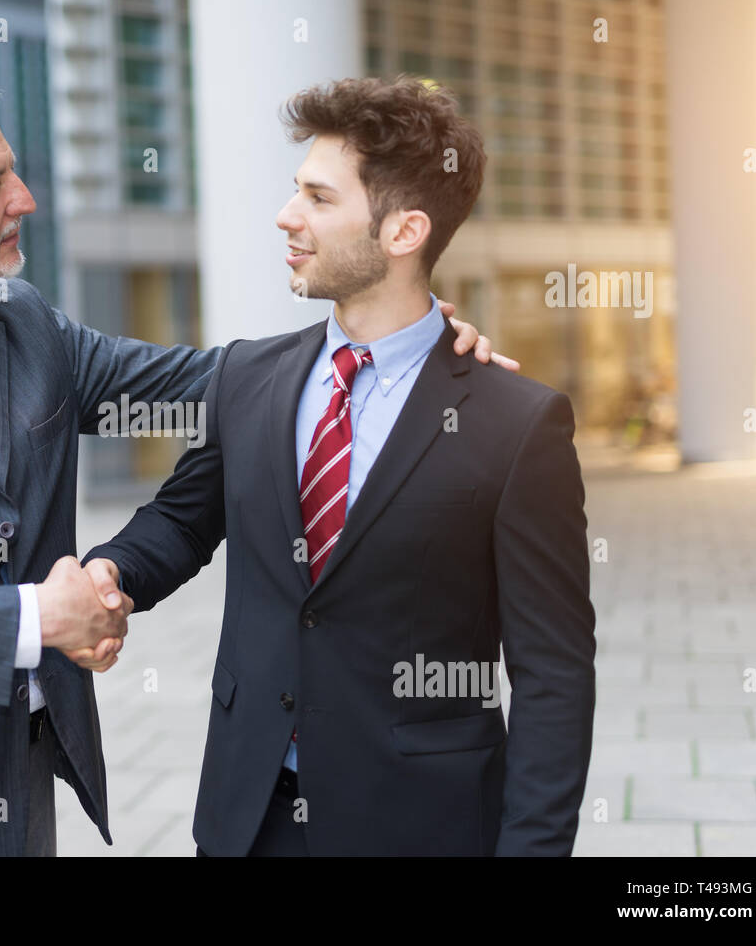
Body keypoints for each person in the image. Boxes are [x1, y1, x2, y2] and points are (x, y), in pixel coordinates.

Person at [0, 67, 506, 855]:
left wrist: (395, 344)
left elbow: (208, 387)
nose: (24, 198)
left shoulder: (22, 323)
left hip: (18, 794)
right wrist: (43, 616)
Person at [84, 76, 596, 856]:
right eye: (297, 191)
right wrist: (110, 574)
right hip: (247, 815)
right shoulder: (248, 376)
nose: (288, 216)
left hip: (424, 827)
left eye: (320, 199)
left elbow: (554, 675)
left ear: (403, 232)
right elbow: (184, 520)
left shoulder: (517, 425)